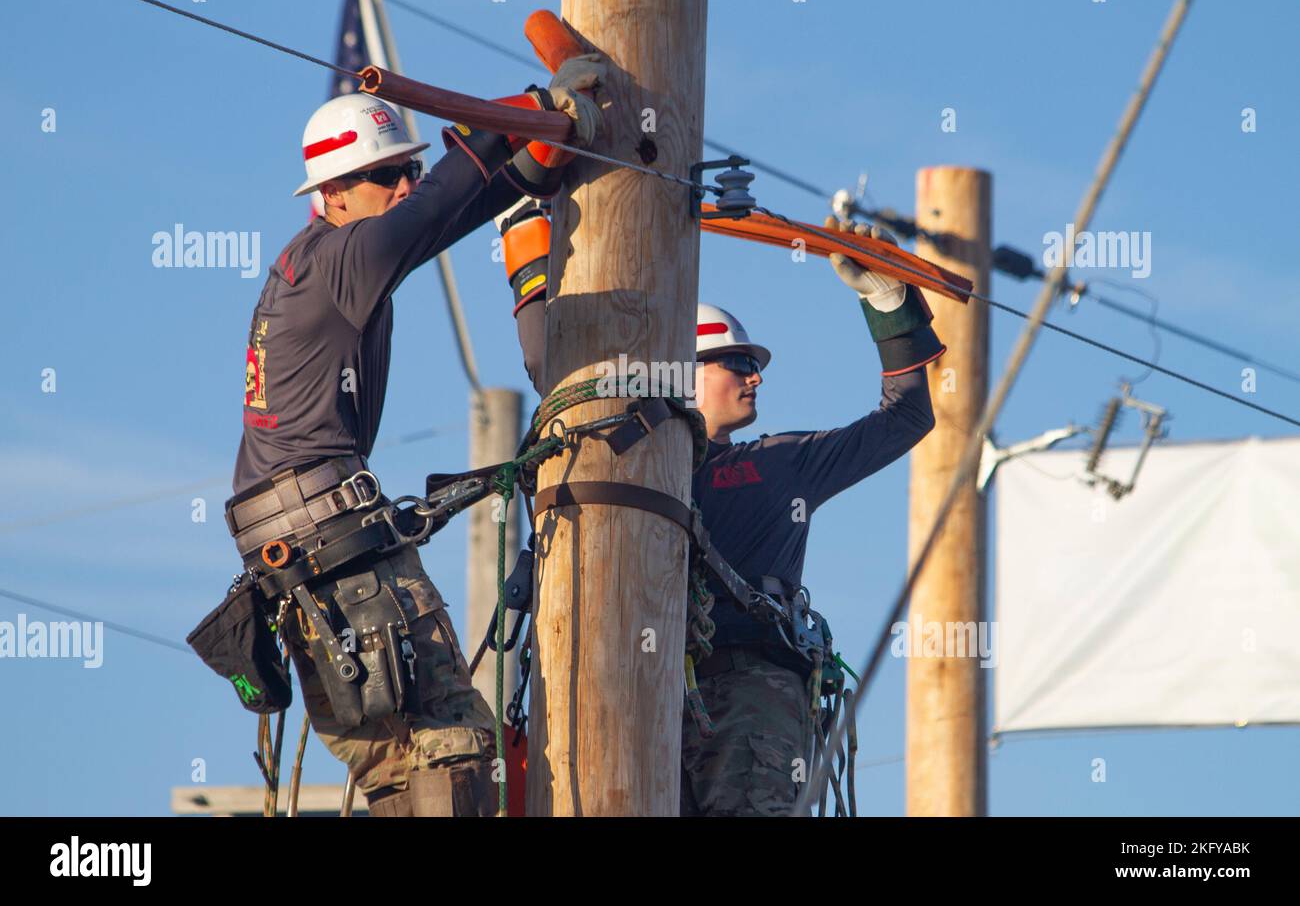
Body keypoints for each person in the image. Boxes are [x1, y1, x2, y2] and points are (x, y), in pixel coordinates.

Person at [222, 54, 604, 817]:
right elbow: (434, 207)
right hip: (336, 545)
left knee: (398, 768)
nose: (401, 186)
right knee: (455, 745)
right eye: (384, 175)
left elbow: (444, 212)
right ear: (331, 193)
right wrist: (524, 109)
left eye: (408, 170)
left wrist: (528, 164)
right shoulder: (344, 257)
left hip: (302, 560)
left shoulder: (325, 263)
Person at [506, 210, 944, 816]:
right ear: (685, 374)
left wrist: (890, 303)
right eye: (736, 362)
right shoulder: (618, 463)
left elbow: (907, 418)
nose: (755, 375)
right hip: (635, 692)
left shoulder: (783, 464)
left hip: (749, 689)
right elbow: (555, 378)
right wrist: (525, 237)